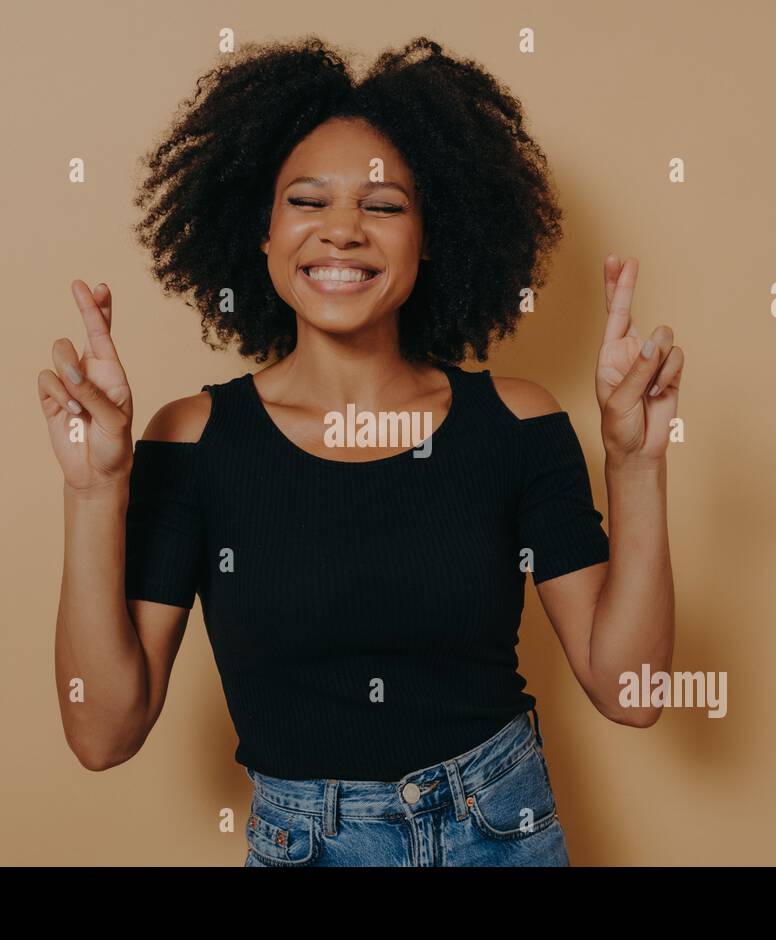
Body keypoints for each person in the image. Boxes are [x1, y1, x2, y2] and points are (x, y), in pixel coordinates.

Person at [39, 36, 681, 867]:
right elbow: (102, 733)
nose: (343, 230)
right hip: (305, 844)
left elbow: (633, 694)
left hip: (502, 832)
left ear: (430, 237)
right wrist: (95, 495)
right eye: (307, 202)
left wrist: (636, 461)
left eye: (383, 206)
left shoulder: (514, 423)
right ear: (260, 235)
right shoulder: (193, 440)